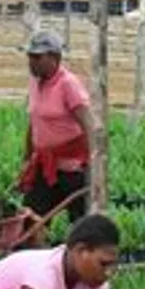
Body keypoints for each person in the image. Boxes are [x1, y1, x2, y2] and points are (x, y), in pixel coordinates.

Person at [18, 31, 99, 233]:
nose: (32, 62)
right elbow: (34, 122)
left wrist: (94, 166)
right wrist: (27, 159)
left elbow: (90, 126)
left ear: (54, 58)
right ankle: (35, 259)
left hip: (72, 170)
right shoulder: (36, 83)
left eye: (37, 58)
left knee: (81, 225)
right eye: (30, 57)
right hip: (45, 167)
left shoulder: (68, 85)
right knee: (31, 220)